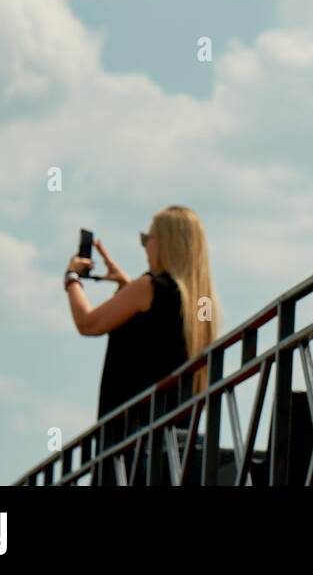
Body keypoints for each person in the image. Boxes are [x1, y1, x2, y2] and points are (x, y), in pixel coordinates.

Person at [65, 206, 219, 482]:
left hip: (127, 442)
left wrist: (72, 278)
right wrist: (127, 285)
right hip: (173, 448)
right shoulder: (202, 303)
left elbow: (88, 323)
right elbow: (159, 332)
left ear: (166, 243)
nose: (145, 246)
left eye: (148, 238)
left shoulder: (148, 287)